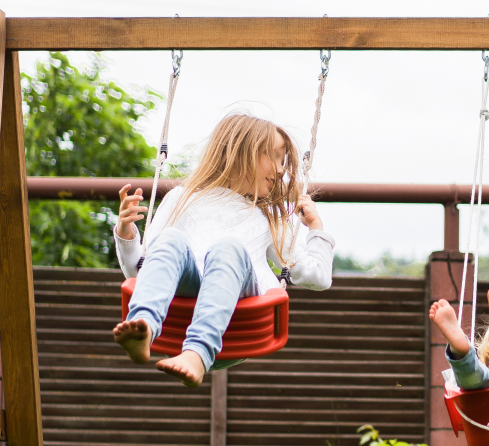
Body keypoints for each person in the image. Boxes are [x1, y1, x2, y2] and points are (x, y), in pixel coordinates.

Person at [111, 113, 335, 387]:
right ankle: (143, 327)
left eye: (283, 162)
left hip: (239, 319)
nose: (280, 170)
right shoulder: (181, 199)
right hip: (181, 307)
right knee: (169, 239)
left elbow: (319, 277)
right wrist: (126, 232)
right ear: (242, 153)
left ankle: (197, 354)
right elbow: (142, 271)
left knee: (227, 247)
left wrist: (316, 228)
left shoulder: (269, 220)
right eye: (275, 157)